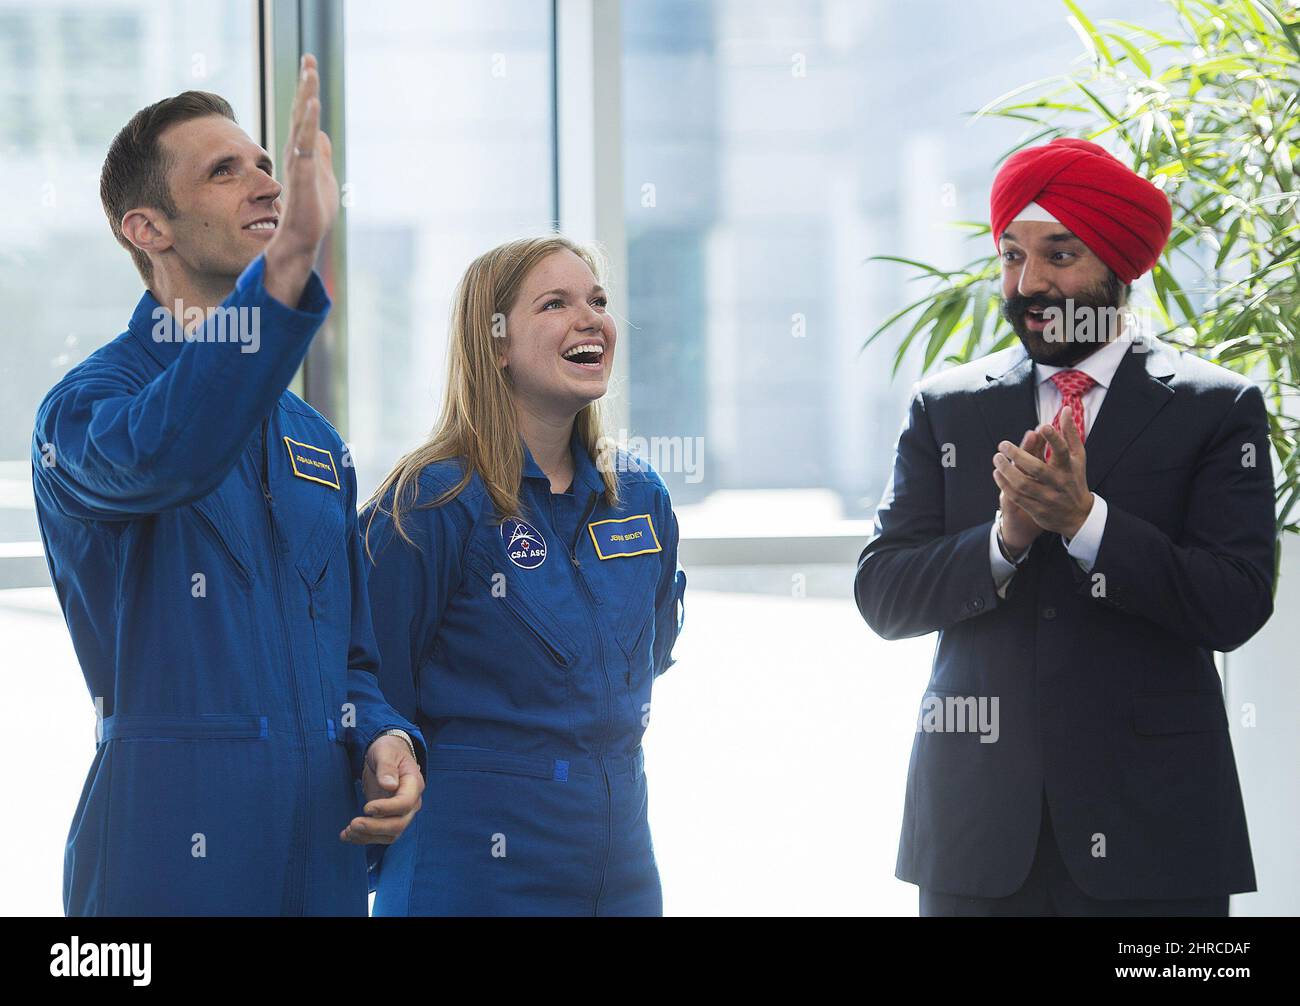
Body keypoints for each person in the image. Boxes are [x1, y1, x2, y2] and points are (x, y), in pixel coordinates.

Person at [32, 55, 425, 916]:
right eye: (223, 171)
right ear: (148, 228)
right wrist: (287, 267)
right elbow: (174, 448)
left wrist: (383, 736)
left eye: (262, 164)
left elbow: (350, 658)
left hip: (322, 850)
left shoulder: (316, 443)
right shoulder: (85, 411)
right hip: (166, 851)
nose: (265, 185)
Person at [855, 137, 1275, 916]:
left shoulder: (1217, 409)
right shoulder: (948, 406)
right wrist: (1004, 540)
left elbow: (1236, 602)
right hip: (977, 836)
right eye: (1012, 256)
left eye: (1060, 254)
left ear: (1120, 264)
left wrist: (1087, 524)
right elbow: (883, 595)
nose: (1031, 283)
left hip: (1155, 834)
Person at [361, 235, 687, 916]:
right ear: (498, 343)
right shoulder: (431, 503)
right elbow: (366, 683)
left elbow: (646, 659)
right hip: (471, 863)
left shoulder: (640, 496)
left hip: (620, 859)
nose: (591, 318)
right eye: (555, 303)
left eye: (598, 301)